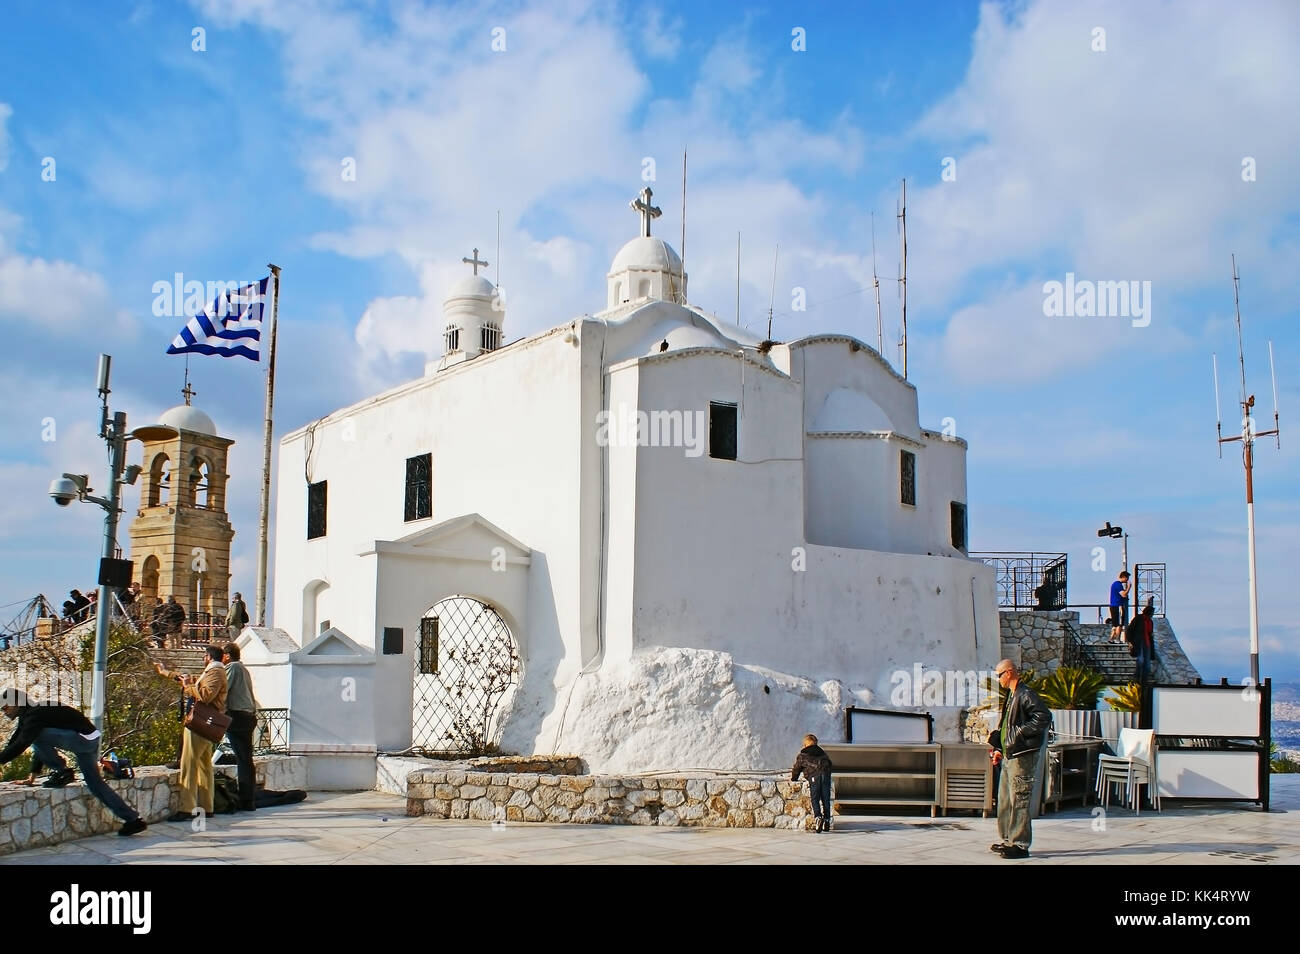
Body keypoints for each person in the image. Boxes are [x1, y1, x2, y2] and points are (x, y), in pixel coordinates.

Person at [0, 688, 147, 836]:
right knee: (95, 784)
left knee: (35, 737)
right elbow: (14, 743)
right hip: (89, 740)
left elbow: (22, 744)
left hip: (82, 739)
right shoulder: (30, 716)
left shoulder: (35, 714)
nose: (4, 712)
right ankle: (133, 820)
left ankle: (63, 772)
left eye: (6, 707)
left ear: (17, 703)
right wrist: (32, 777)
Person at [988, 659, 1051, 859]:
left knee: (1019, 799)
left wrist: (1019, 733)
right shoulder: (1012, 696)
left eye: (999, 675)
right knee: (1006, 800)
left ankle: (1020, 844)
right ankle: (1008, 839)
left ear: (1009, 673)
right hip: (1010, 755)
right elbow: (1007, 725)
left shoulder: (1025, 694)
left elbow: (1043, 716)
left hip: (1022, 757)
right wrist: (1000, 748)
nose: (998, 680)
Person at [155, 646, 227, 821]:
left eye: (205, 655)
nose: (203, 658)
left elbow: (206, 695)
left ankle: (187, 808)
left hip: (200, 723)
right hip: (204, 724)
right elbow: (193, 682)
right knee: (204, 765)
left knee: (189, 764)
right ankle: (206, 806)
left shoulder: (216, 672)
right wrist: (166, 673)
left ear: (209, 657)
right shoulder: (211, 671)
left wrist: (188, 686)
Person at [221, 642, 258, 811]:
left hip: (238, 716)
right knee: (246, 759)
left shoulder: (232, 668)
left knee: (242, 759)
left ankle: (246, 799)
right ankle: (249, 797)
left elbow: (223, 689)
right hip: (248, 716)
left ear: (227, 656)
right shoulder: (244, 669)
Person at [791, 733, 834, 833]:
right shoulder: (823, 753)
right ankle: (827, 820)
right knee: (825, 799)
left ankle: (818, 817)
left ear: (805, 744)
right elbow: (830, 764)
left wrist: (794, 778)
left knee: (815, 799)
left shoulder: (803, 755)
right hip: (826, 776)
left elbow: (797, 768)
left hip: (814, 777)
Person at [1127, 604, 1157, 684]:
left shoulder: (1150, 621)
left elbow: (1150, 633)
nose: (1152, 614)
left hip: (1147, 643)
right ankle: (1136, 680)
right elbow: (1130, 629)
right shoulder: (1138, 618)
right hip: (1138, 642)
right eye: (1152, 613)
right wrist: (1130, 641)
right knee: (1140, 661)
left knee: (1147, 664)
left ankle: (1144, 681)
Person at [1108, 571, 1131, 641]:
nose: (1127, 580)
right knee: (1119, 624)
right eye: (1127, 578)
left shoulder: (1115, 584)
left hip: (1114, 605)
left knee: (1115, 624)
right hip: (1118, 606)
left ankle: (1111, 638)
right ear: (1124, 577)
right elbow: (1123, 594)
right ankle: (1117, 639)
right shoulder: (1118, 585)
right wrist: (1129, 587)